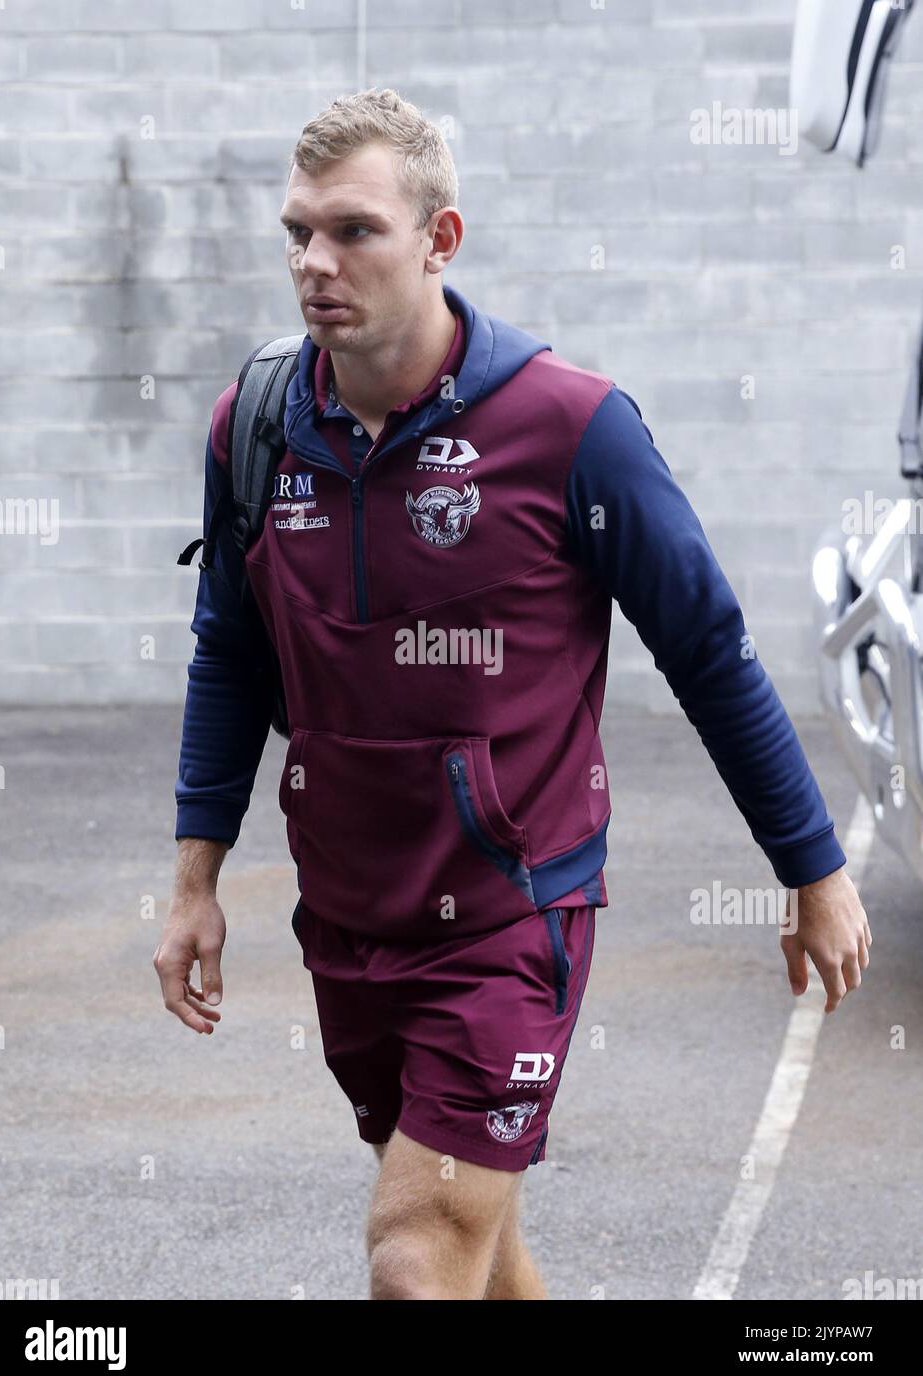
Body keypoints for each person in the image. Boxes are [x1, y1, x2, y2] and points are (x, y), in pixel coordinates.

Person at [154, 87, 872, 1301]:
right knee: (485, 1257)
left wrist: (815, 869)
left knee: (414, 1257)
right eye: (297, 232)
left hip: (511, 919)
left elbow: (710, 650)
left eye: (353, 231)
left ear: (442, 240)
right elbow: (228, 648)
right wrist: (193, 884)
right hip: (348, 918)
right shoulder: (260, 424)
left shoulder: (570, 429)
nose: (313, 263)